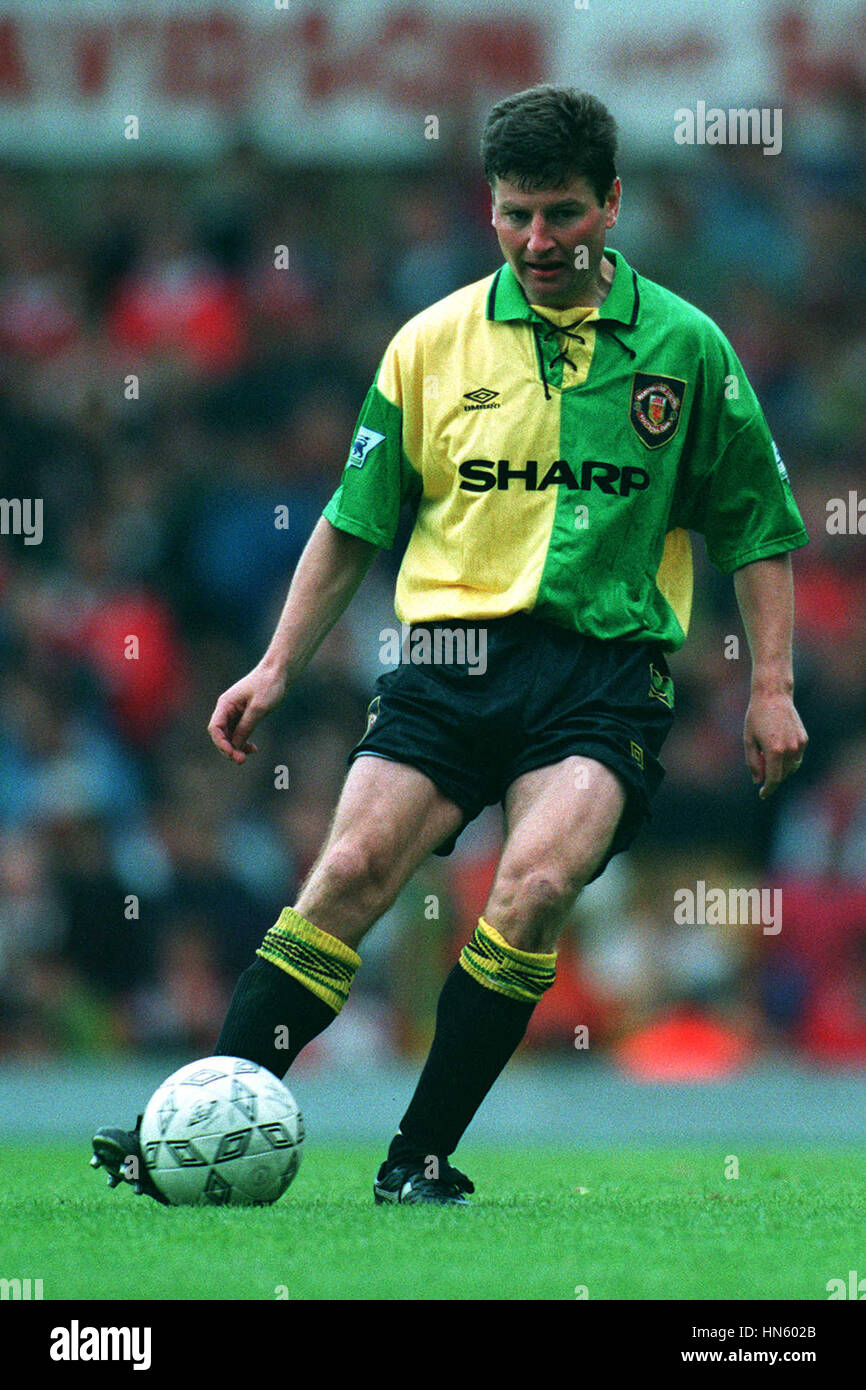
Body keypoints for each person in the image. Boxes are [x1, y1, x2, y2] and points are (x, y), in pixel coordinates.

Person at [92, 85, 808, 1206]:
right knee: (347, 874)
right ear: (490, 210)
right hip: (447, 663)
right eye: (516, 214)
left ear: (611, 204)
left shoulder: (686, 348)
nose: (539, 239)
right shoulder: (429, 345)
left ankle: (417, 1157)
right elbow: (350, 523)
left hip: (603, 675)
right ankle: (176, 1138)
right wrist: (274, 665)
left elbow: (757, 530)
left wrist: (771, 686)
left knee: (527, 890)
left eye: (563, 213)